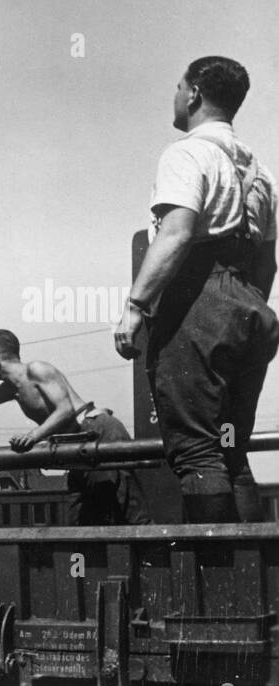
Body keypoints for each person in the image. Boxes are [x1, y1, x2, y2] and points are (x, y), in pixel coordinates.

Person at [113, 56, 278, 523]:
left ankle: (215, 587)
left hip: (199, 301)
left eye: (177, 86)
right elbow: (268, 261)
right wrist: (240, 305)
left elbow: (177, 233)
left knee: (197, 453)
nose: (175, 95)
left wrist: (135, 305)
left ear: (193, 95)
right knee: (230, 449)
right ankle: (252, 586)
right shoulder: (260, 171)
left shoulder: (185, 153)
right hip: (250, 307)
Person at [0, 330, 150, 526]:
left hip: (99, 432)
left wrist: (33, 436)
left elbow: (65, 409)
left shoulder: (37, 370)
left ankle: (154, 555)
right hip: (74, 447)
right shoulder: (11, 388)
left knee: (130, 510)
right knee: (80, 521)